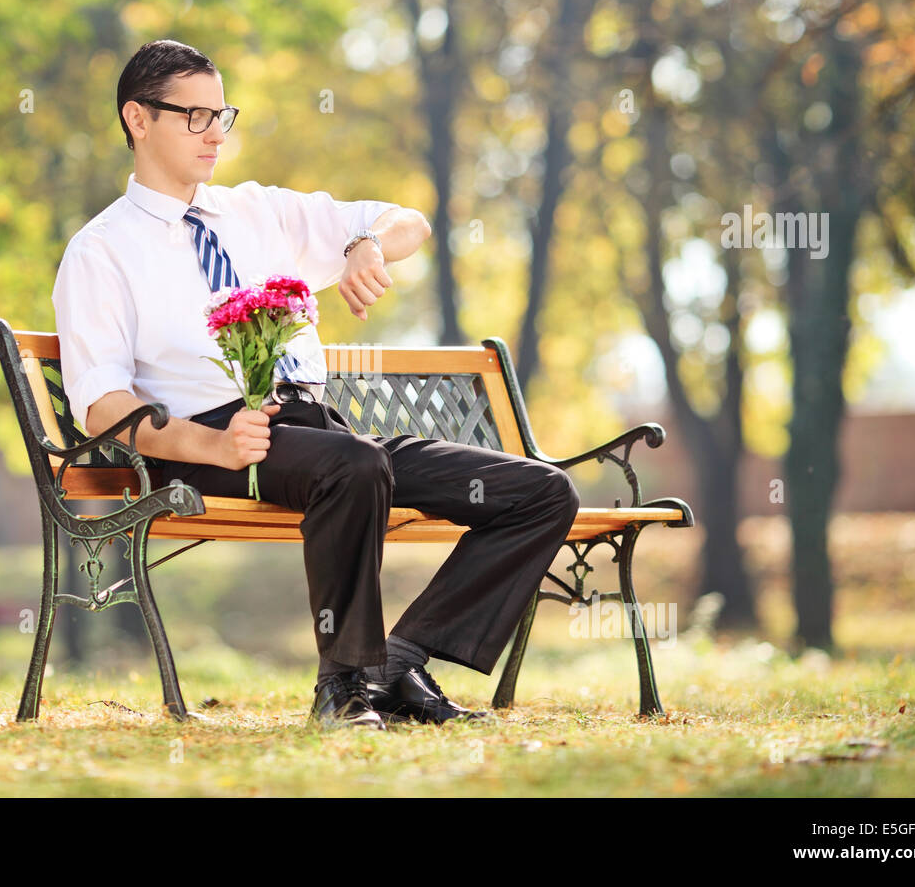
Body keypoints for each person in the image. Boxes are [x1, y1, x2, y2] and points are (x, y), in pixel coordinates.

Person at [52, 39, 581, 731]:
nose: (216, 133)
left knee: (541, 492)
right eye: (195, 117)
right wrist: (215, 444)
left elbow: (409, 222)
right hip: (204, 444)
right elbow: (102, 405)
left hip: (315, 436)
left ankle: (399, 660)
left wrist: (364, 245)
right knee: (354, 465)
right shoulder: (101, 250)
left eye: (223, 114)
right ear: (138, 119)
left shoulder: (258, 212)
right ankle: (343, 687)